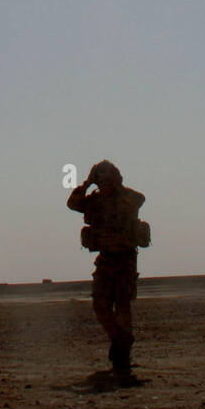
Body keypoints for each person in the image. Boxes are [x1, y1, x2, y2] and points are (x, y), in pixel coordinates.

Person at [67, 160, 148, 375]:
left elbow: (141, 199)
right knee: (100, 306)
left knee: (122, 306)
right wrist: (86, 184)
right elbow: (72, 204)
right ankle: (121, 341)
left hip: (125, 259)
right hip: (105, 260)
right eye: (101, 180)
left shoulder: (128, 198)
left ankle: (122, 357)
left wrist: (117, 189)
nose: (105, 184)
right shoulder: (94, 202)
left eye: (108, 180)